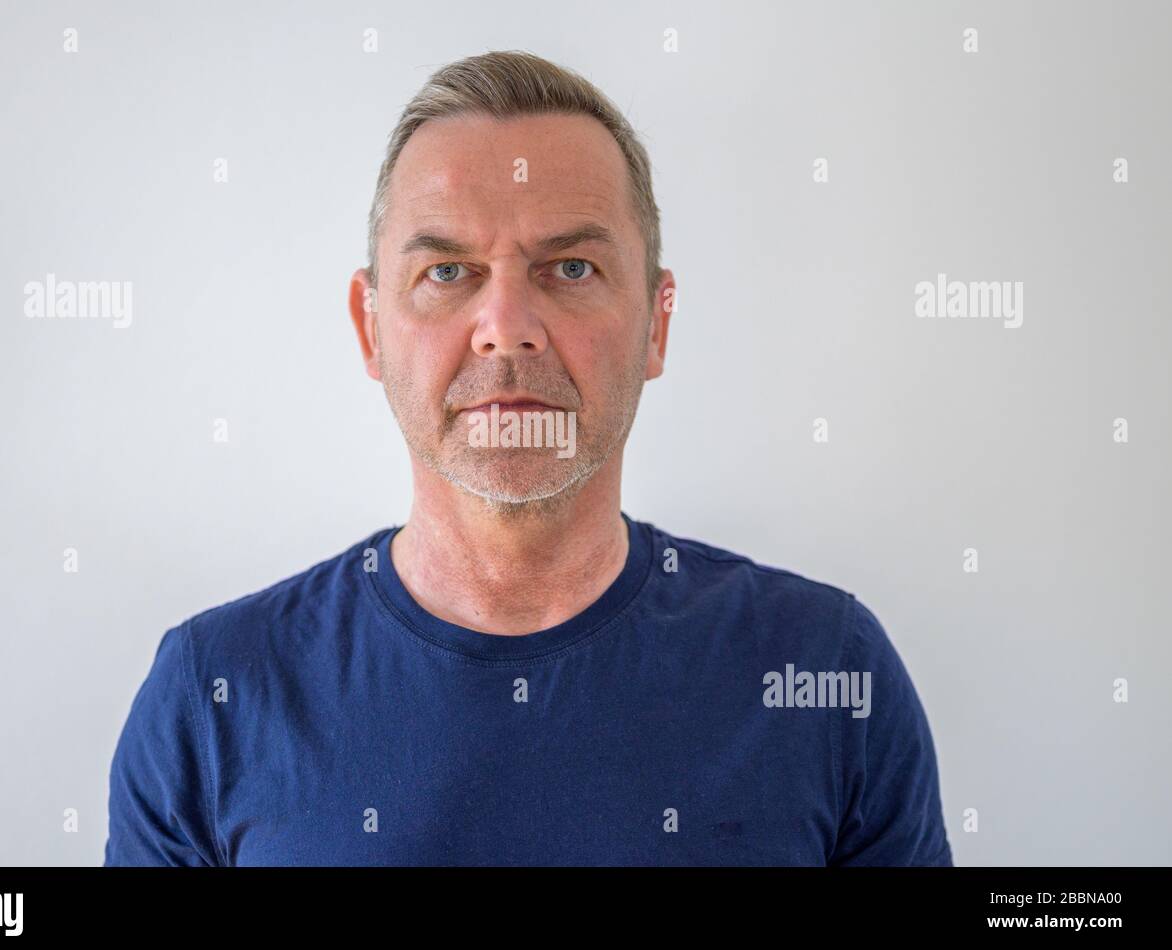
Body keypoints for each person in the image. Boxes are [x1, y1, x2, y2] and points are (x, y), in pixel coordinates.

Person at [105, 50, 953, 866]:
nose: (505, 323)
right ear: (370, 327)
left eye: (571, 267)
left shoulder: (827, 671)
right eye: (447, 272)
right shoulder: (212, 696)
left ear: (655, 326)